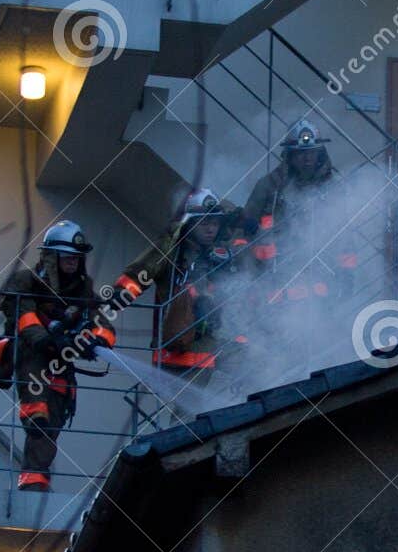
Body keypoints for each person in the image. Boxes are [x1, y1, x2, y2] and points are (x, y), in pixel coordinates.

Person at [0, 220, 115, 492]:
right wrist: (49, 337)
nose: (73, 263)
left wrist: (97, 339)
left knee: (53, 419)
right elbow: (23, 316)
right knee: (38, 410)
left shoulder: (82, 290)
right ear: (51, 256)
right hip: (28, 353)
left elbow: (102, 320)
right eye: (68, 257)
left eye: (77, 258)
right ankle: (34, 417)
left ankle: (34, 479)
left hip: (60, 362)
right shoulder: (24, 281)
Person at [241, 120, 361, 351]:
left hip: (321, 282)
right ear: (290, 155)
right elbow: (243, 232)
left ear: (320, 153)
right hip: (274, 279)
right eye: (301, 153)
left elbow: (345, 237)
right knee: (276, 343)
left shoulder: (334, 187)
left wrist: (347, 274)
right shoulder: (268, 187)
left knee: (316, 343)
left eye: (312, 153)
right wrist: (248, 273)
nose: (307, 158)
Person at [112, 188, 243, 370]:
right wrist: (120, 296)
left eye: (215, 223)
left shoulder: (221, 253)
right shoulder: (170, 250)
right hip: (176, 350)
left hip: (212, 351)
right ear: (189, 224)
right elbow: (139, 274)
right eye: (204, 223)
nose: (211, 229)